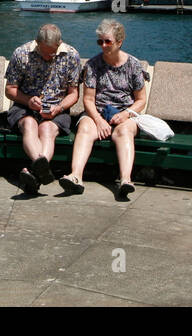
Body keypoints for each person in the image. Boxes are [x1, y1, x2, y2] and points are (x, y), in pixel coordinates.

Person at [59, 18, 148, 200]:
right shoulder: (93, 65)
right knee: (84, 128)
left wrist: (125, 114)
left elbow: (141, 100)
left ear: (119, 42)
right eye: (100, 41)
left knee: (124, 132)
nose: (104, 45)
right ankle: (76, 176)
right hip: (97, 111)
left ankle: (125, 180)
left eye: (108, 41)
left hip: (125, 112)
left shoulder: (133, 65)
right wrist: (98, 120)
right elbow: (88, 99)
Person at [4, 23, 82, 194]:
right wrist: (28, 100)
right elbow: (10, 90)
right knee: (29, 125)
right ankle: (42, 170)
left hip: (56, 108)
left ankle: (35, 173)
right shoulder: (21, 53)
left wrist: (59, 107)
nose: (48, 57)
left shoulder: (71, 55)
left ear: (60, 43)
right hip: (25, 106)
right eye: (44, 53)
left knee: (47, 129)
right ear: (37, 43)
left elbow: (73, 94)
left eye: (52, 53)